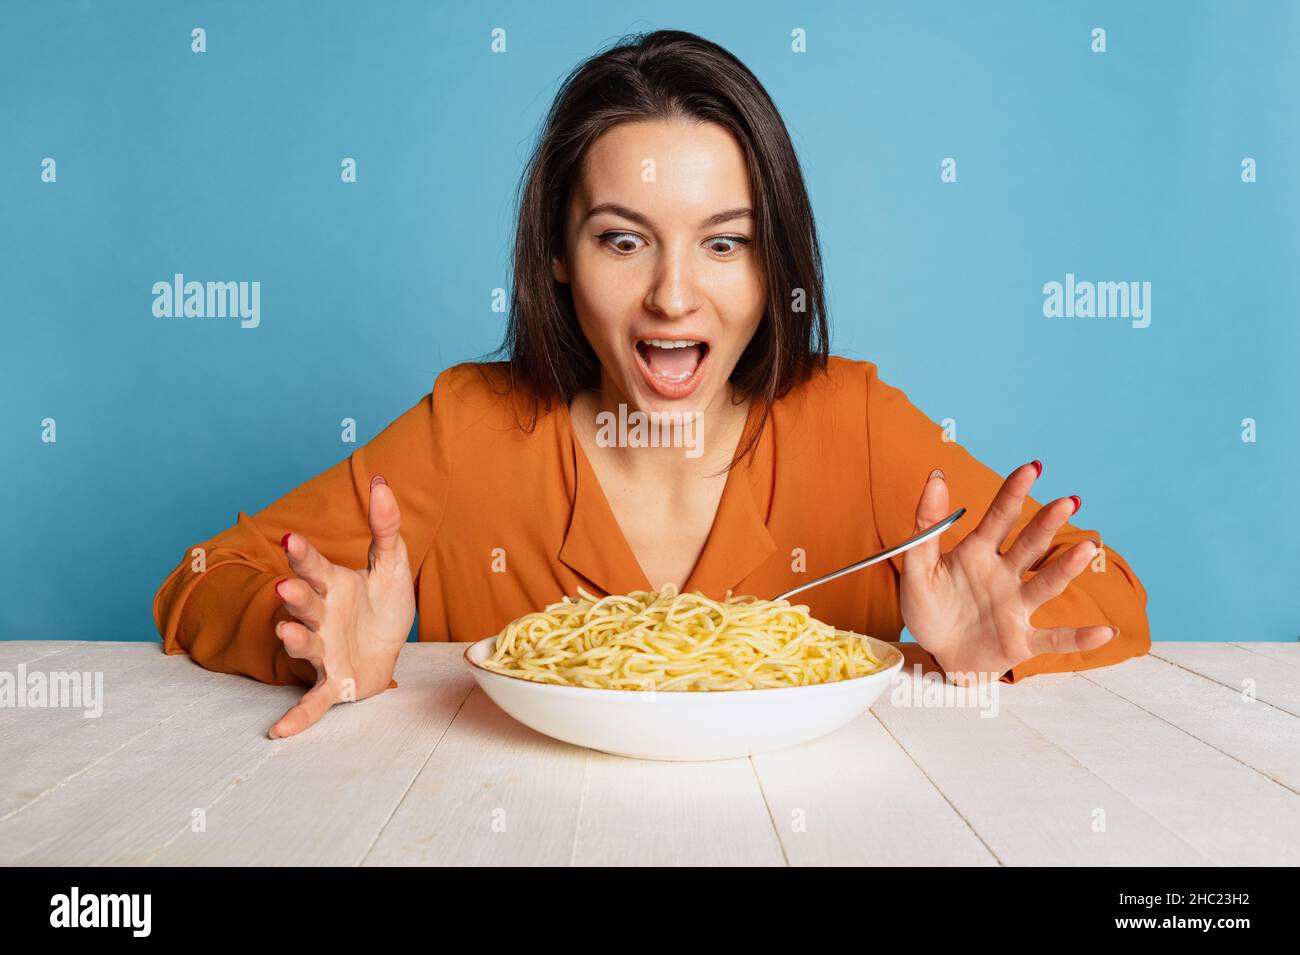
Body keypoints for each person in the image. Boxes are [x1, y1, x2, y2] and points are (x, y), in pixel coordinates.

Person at [153, 30, 1150, 739]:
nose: (674, 297)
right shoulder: (470, 431)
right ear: (555, 254)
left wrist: (983, 650)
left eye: (725, 244)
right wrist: (310, 638)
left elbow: (1114, 596)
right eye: (623, 240)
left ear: (776, 264)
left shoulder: (853, 424)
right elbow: (200, 577)